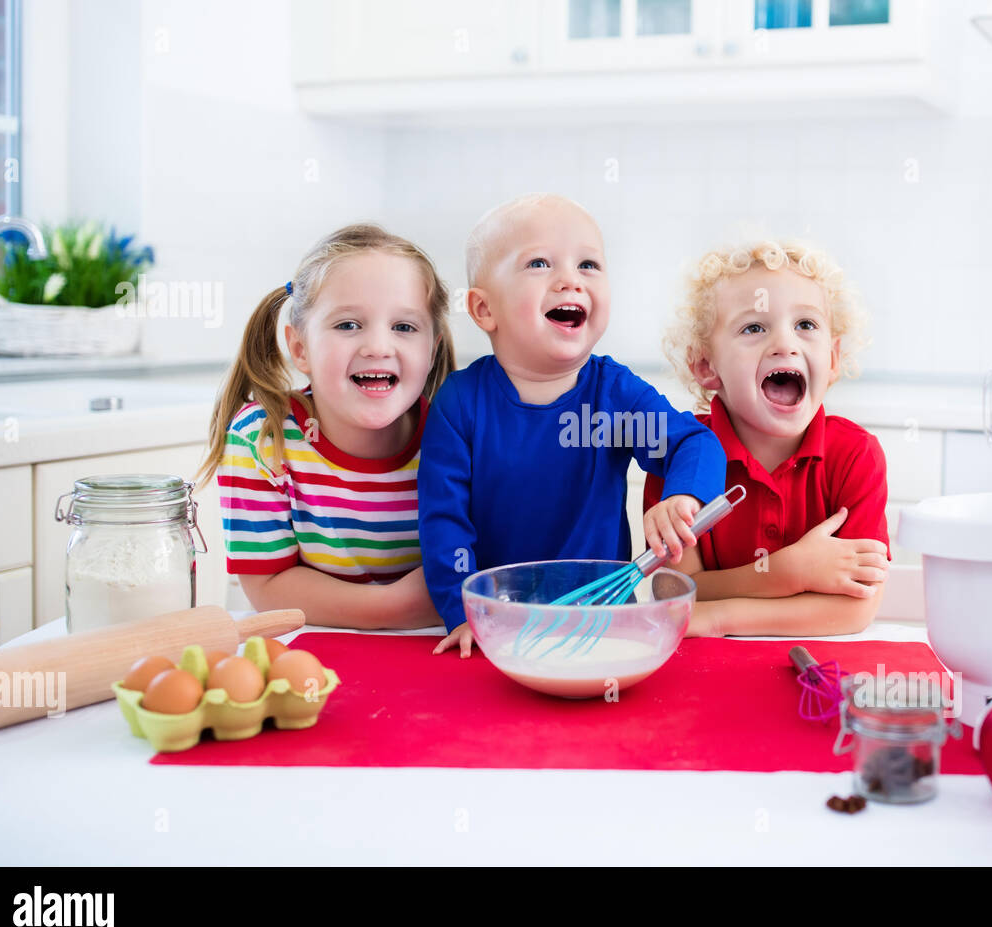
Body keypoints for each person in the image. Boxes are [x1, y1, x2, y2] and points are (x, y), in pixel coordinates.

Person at [418, 193, 727, 657]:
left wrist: (682, 496)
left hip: (603, 623)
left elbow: (694, 444)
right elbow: (445, 527)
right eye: (540, 263)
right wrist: (463, 614)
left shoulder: (614, 399)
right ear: (484, 310)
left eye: (588, 265)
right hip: (502, 626)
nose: (570, 280)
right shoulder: (460, 405)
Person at [195, 223, 454, 629]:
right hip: (314, 648)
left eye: (404, 327)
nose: (378, 347)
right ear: (300, 348)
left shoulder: (461, 436)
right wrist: (398, 605)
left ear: (431, 348)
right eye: (348, 325)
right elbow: (268, 584)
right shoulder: (263, 441)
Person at [645, 238, 891, 637]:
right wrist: (790, 571)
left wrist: (719, 616)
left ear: (831, 360)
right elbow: (675, 593)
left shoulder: (855, 455)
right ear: (707, 366)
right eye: (754, 327)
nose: (785, 345)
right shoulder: (678, 455)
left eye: (805, 325)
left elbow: (855, 610)